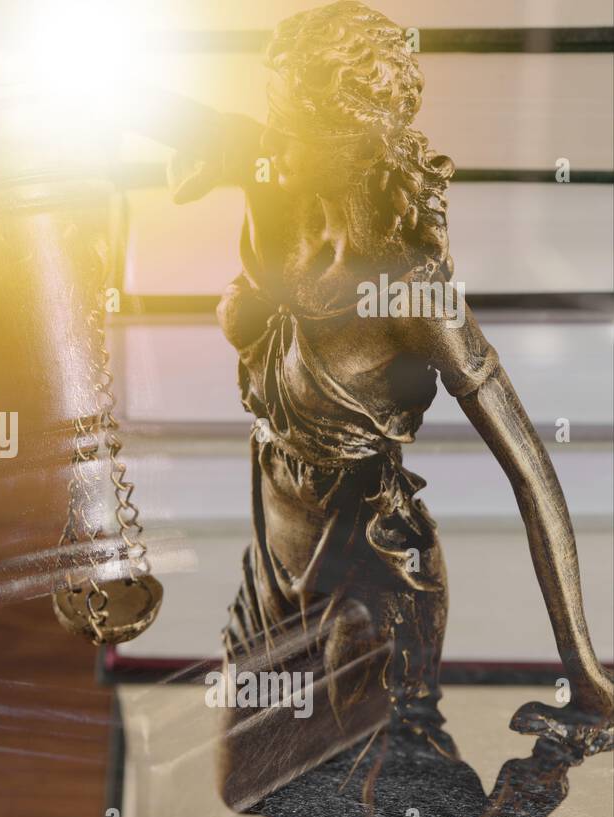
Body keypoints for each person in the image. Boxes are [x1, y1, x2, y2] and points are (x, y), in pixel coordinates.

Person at [145, 1, 613, 754]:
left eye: (294, 132)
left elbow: (531, 471)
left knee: (388, 800)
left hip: (374, 575)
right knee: (246, 784)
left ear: (348, 142)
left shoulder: (412, 292)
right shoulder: (268, 168)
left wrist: (585, 669)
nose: (276, 148)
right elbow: (136, 104)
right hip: (277, 546)